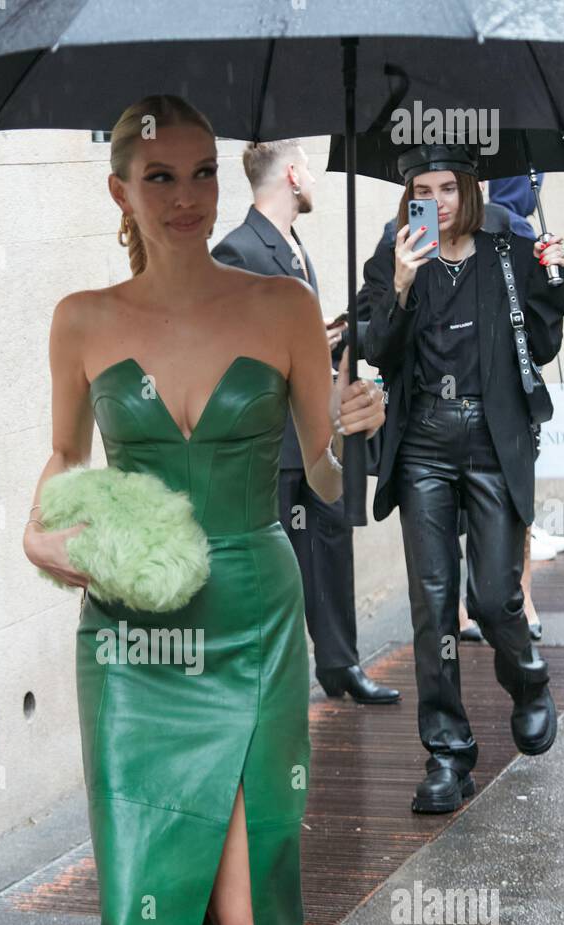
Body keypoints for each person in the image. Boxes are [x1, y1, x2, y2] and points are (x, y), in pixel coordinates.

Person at [22, 94, 384, 925]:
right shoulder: (79, 322)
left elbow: (324, 490)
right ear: (117, 192)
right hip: (132, 641)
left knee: (237, 909)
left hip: (252, 619)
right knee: (155, 911)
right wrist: (58, 548)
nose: (184, 197)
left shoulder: (282, 305)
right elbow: (56, 486)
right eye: (158, 177)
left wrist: (344, 432)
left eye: (199, 174)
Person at [363, 143, 564, 814]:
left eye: (447, 187)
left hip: (491, 442)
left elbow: (539, 346)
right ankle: (447, 755)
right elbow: (373, 346)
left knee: (491, 600)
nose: (437, 201)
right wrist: (398, 285)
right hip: (423, 446)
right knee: (432, 610)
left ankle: (529, 677)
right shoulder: (395, 254)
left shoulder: (506, 248)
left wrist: (557, 280)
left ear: (469, 191)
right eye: (422, 190)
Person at [211, 139, 400, 705]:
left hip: (318, 434)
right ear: (292, 174)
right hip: (274, 445)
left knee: (333, 544)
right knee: (284, 569)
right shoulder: (235, 251)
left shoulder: (295, 247)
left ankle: (341, 666)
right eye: (309, 168)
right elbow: (226, 353)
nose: (314, 176)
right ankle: (277, 688)